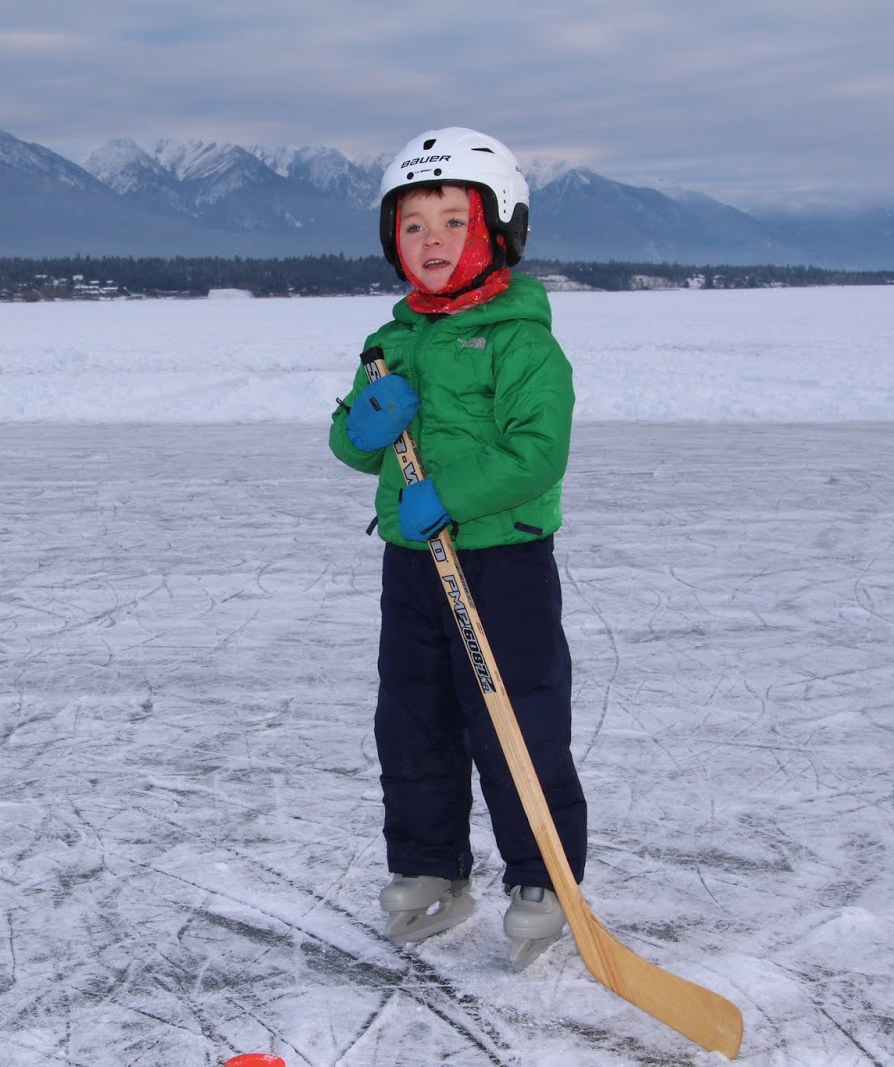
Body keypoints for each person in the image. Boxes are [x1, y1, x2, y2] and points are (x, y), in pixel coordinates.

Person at [328, 127, 587, 970]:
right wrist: (363, 427)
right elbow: (351, 439)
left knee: (515, 719)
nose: (431, 241)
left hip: (501, 560)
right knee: (412, 719)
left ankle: (543, 877)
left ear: (499, 230)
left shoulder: (522, 340)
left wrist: (454, 495)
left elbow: (537, 451)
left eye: (452, 222)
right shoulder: (390, 342)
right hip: (412, 563)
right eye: (413, 226)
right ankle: (430, 864)